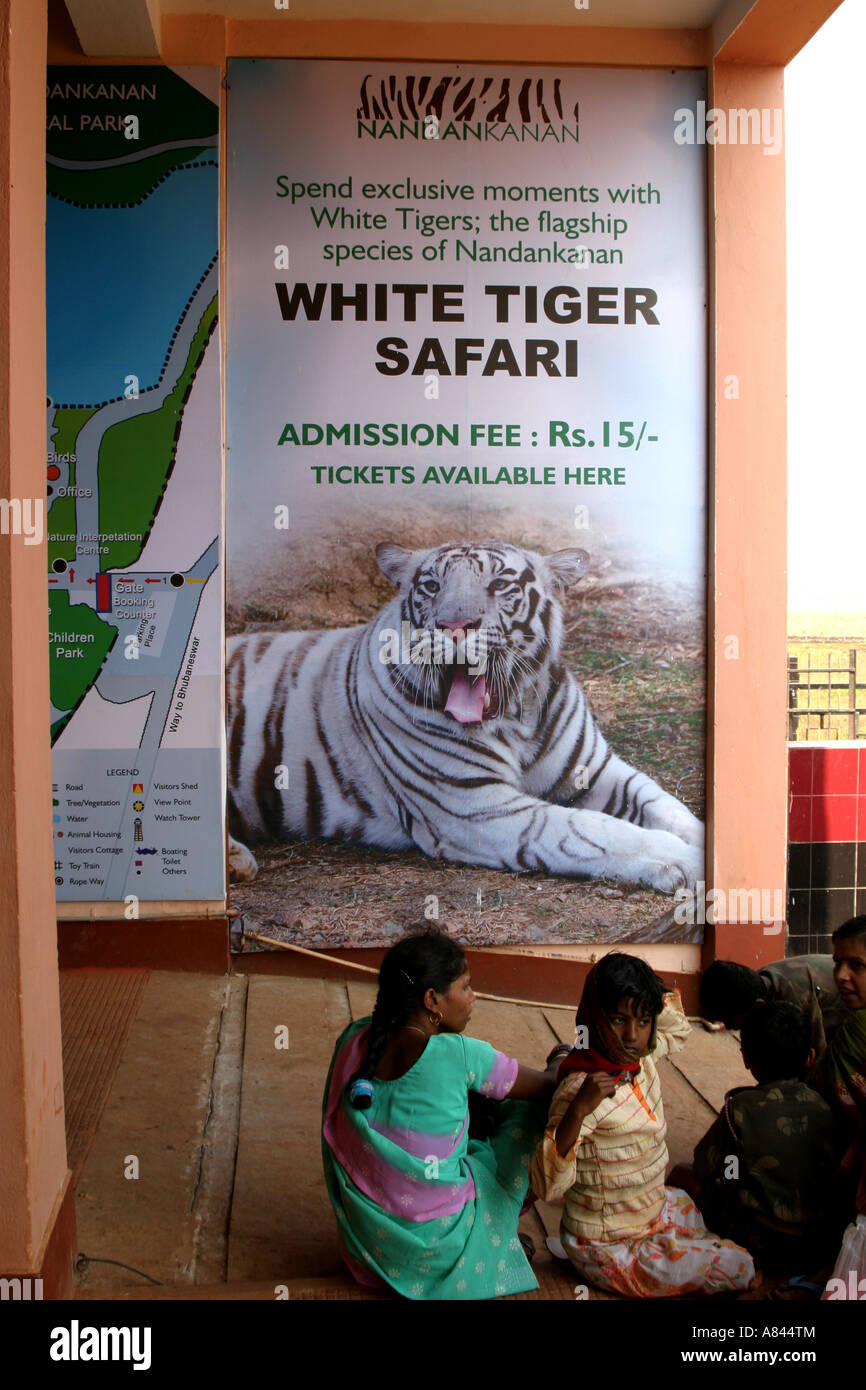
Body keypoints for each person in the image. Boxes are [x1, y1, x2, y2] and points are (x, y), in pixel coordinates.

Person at [321, 928, 556, 1300]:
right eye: (465, 987)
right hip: (442, 1251)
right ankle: (492, 1238)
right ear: (432, 999)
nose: (473, 997)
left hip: (370, 1254)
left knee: (473, 1110)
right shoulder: (460, 1054)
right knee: (527, 1113)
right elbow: (547, 1085)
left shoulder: (354, 1041)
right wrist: (563, 1058)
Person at [529, 952, 756, 1297]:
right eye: (618, 1020)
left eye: (643, 1020)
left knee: (687, 1203)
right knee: (739, 1267)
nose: (631, 1035)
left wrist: (645, 994)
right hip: (606, 1243)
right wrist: (577, 1112)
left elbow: (678, 1029)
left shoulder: (642, 1057)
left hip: (649, 1211)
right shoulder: (580, 1089)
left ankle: (677, 1248)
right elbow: (547, 1187)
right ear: (596, 1019)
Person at [682, 1001, 841, 1274]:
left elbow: (704, 1166)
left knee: (682, 1175)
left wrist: (730, 1175)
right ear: (810, 1057)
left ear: (745, 1058)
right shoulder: (825, 1105)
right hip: (817, 1247)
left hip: (758, 1241)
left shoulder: (740, 1107)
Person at [699, 954, 844, 1058]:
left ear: (757, 1005)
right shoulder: (757, 983)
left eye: (730, 1021)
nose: (729, 1027)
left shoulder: (796, 1001)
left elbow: (817, 1057)